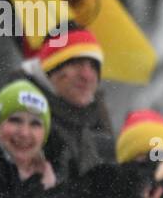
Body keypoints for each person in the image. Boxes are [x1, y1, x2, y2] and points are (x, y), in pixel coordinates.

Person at [17, 28, 115, 181]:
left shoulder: (85, 131)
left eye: (94, 66)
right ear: (51, 70)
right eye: (76, 63)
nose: (87, 75)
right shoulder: (24, 126)